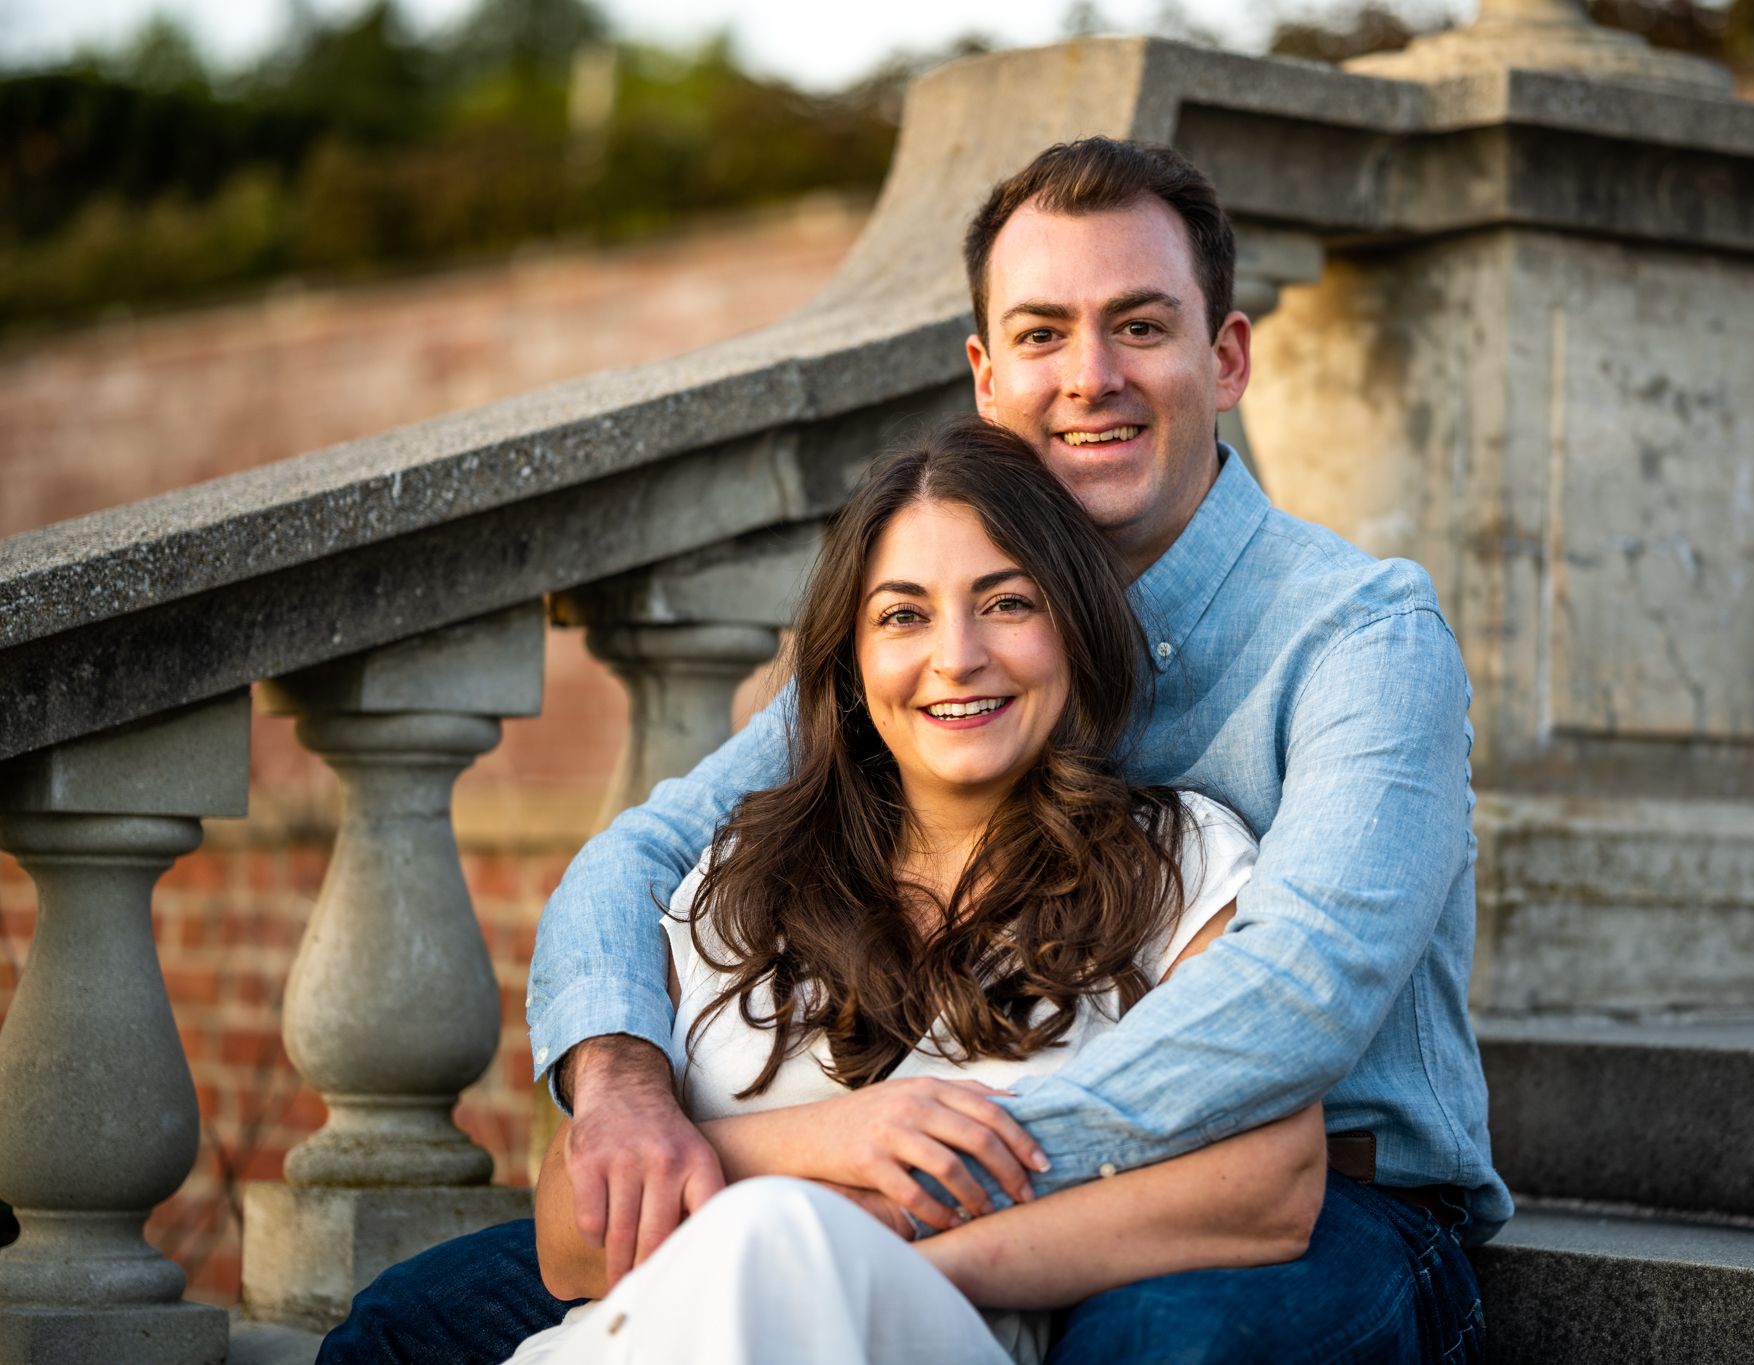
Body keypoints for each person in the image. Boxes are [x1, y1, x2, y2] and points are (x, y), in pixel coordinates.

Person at [321, 136, 1506, 1365]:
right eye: (1042, 334)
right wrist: (626, 1094)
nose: (1088, 376)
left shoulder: (1359, 634)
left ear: (1225, 358)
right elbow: (641, 856)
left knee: (1155, 1352)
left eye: (1139, 326)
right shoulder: (932, 653)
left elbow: (1301, 995)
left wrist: (942, 1156)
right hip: (890, 1182)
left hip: (1320, 1211)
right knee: (412, 1330)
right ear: (987, 381)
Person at [505, 419, 1325, 1363]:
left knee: (777, 1244)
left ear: (1075, 626)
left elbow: (1276, 1178)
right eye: (903, 614)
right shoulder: (740, 877)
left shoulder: (1176, 863)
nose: (957, 655)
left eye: (1007, 603)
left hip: (930, 1335)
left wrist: (882, 1257)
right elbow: (569, 1236)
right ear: (851, 661)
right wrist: (834, 1139)